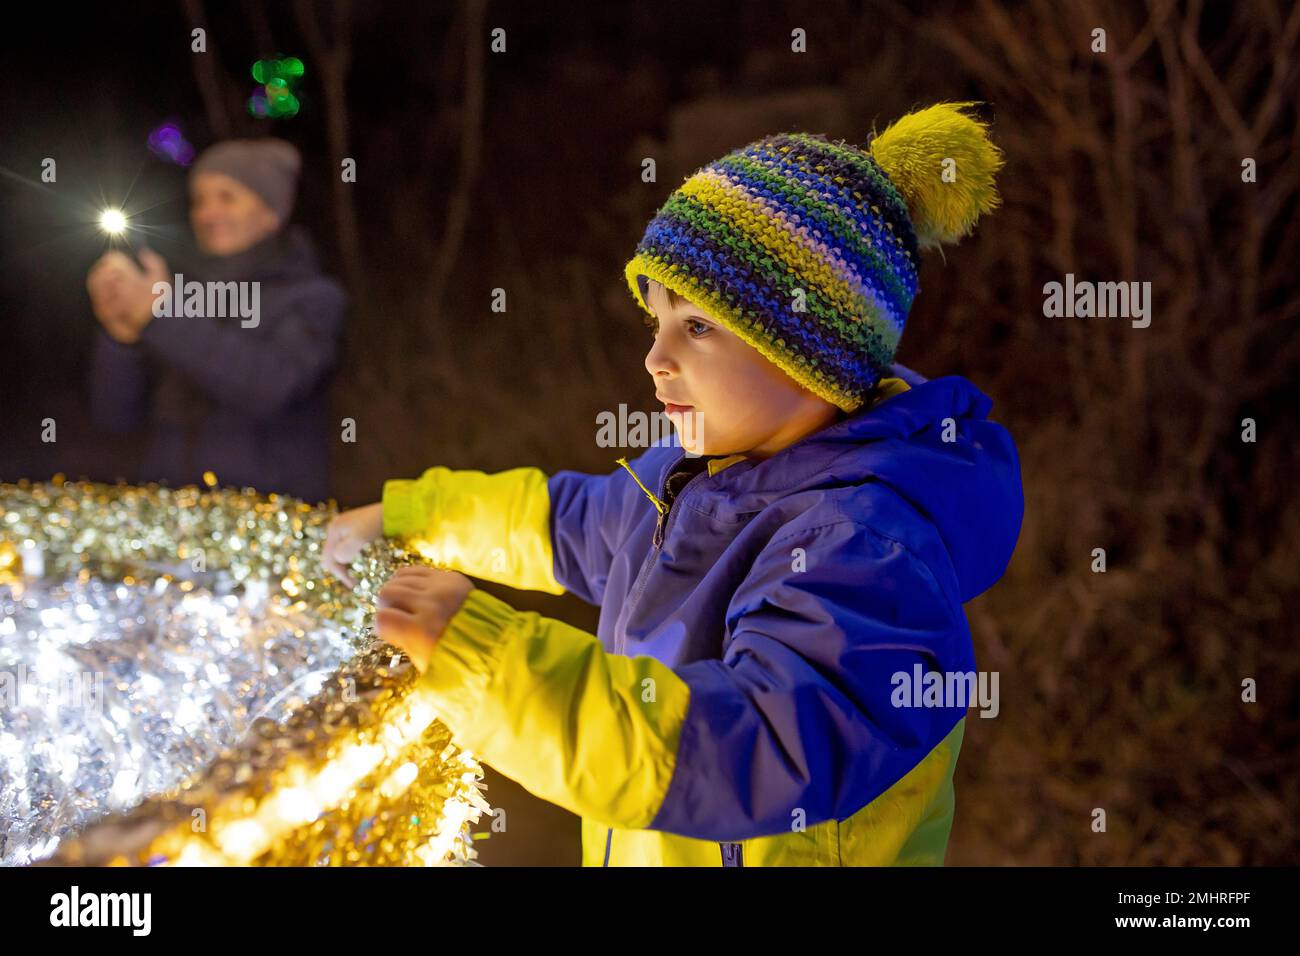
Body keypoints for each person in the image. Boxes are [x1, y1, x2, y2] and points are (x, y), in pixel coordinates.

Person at [323, 102, 1024, 866]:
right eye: (653, 322)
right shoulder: (689, 475)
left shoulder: (864, 549)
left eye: (695, 327)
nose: (655, 360)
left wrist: (490, 660)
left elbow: (745, 752)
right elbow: (567, 524)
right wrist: (408, 517)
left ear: (809, 354)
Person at [85, 137, 346, 503]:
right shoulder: (180, 294)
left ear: (271, 213)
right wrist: (120, 336)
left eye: (227, 197)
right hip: (170, 522)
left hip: (268, 526)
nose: (208, 213)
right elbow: (115, 419)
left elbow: (272, 385)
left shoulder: (312, 297)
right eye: (200, 200)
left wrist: (160, 316)